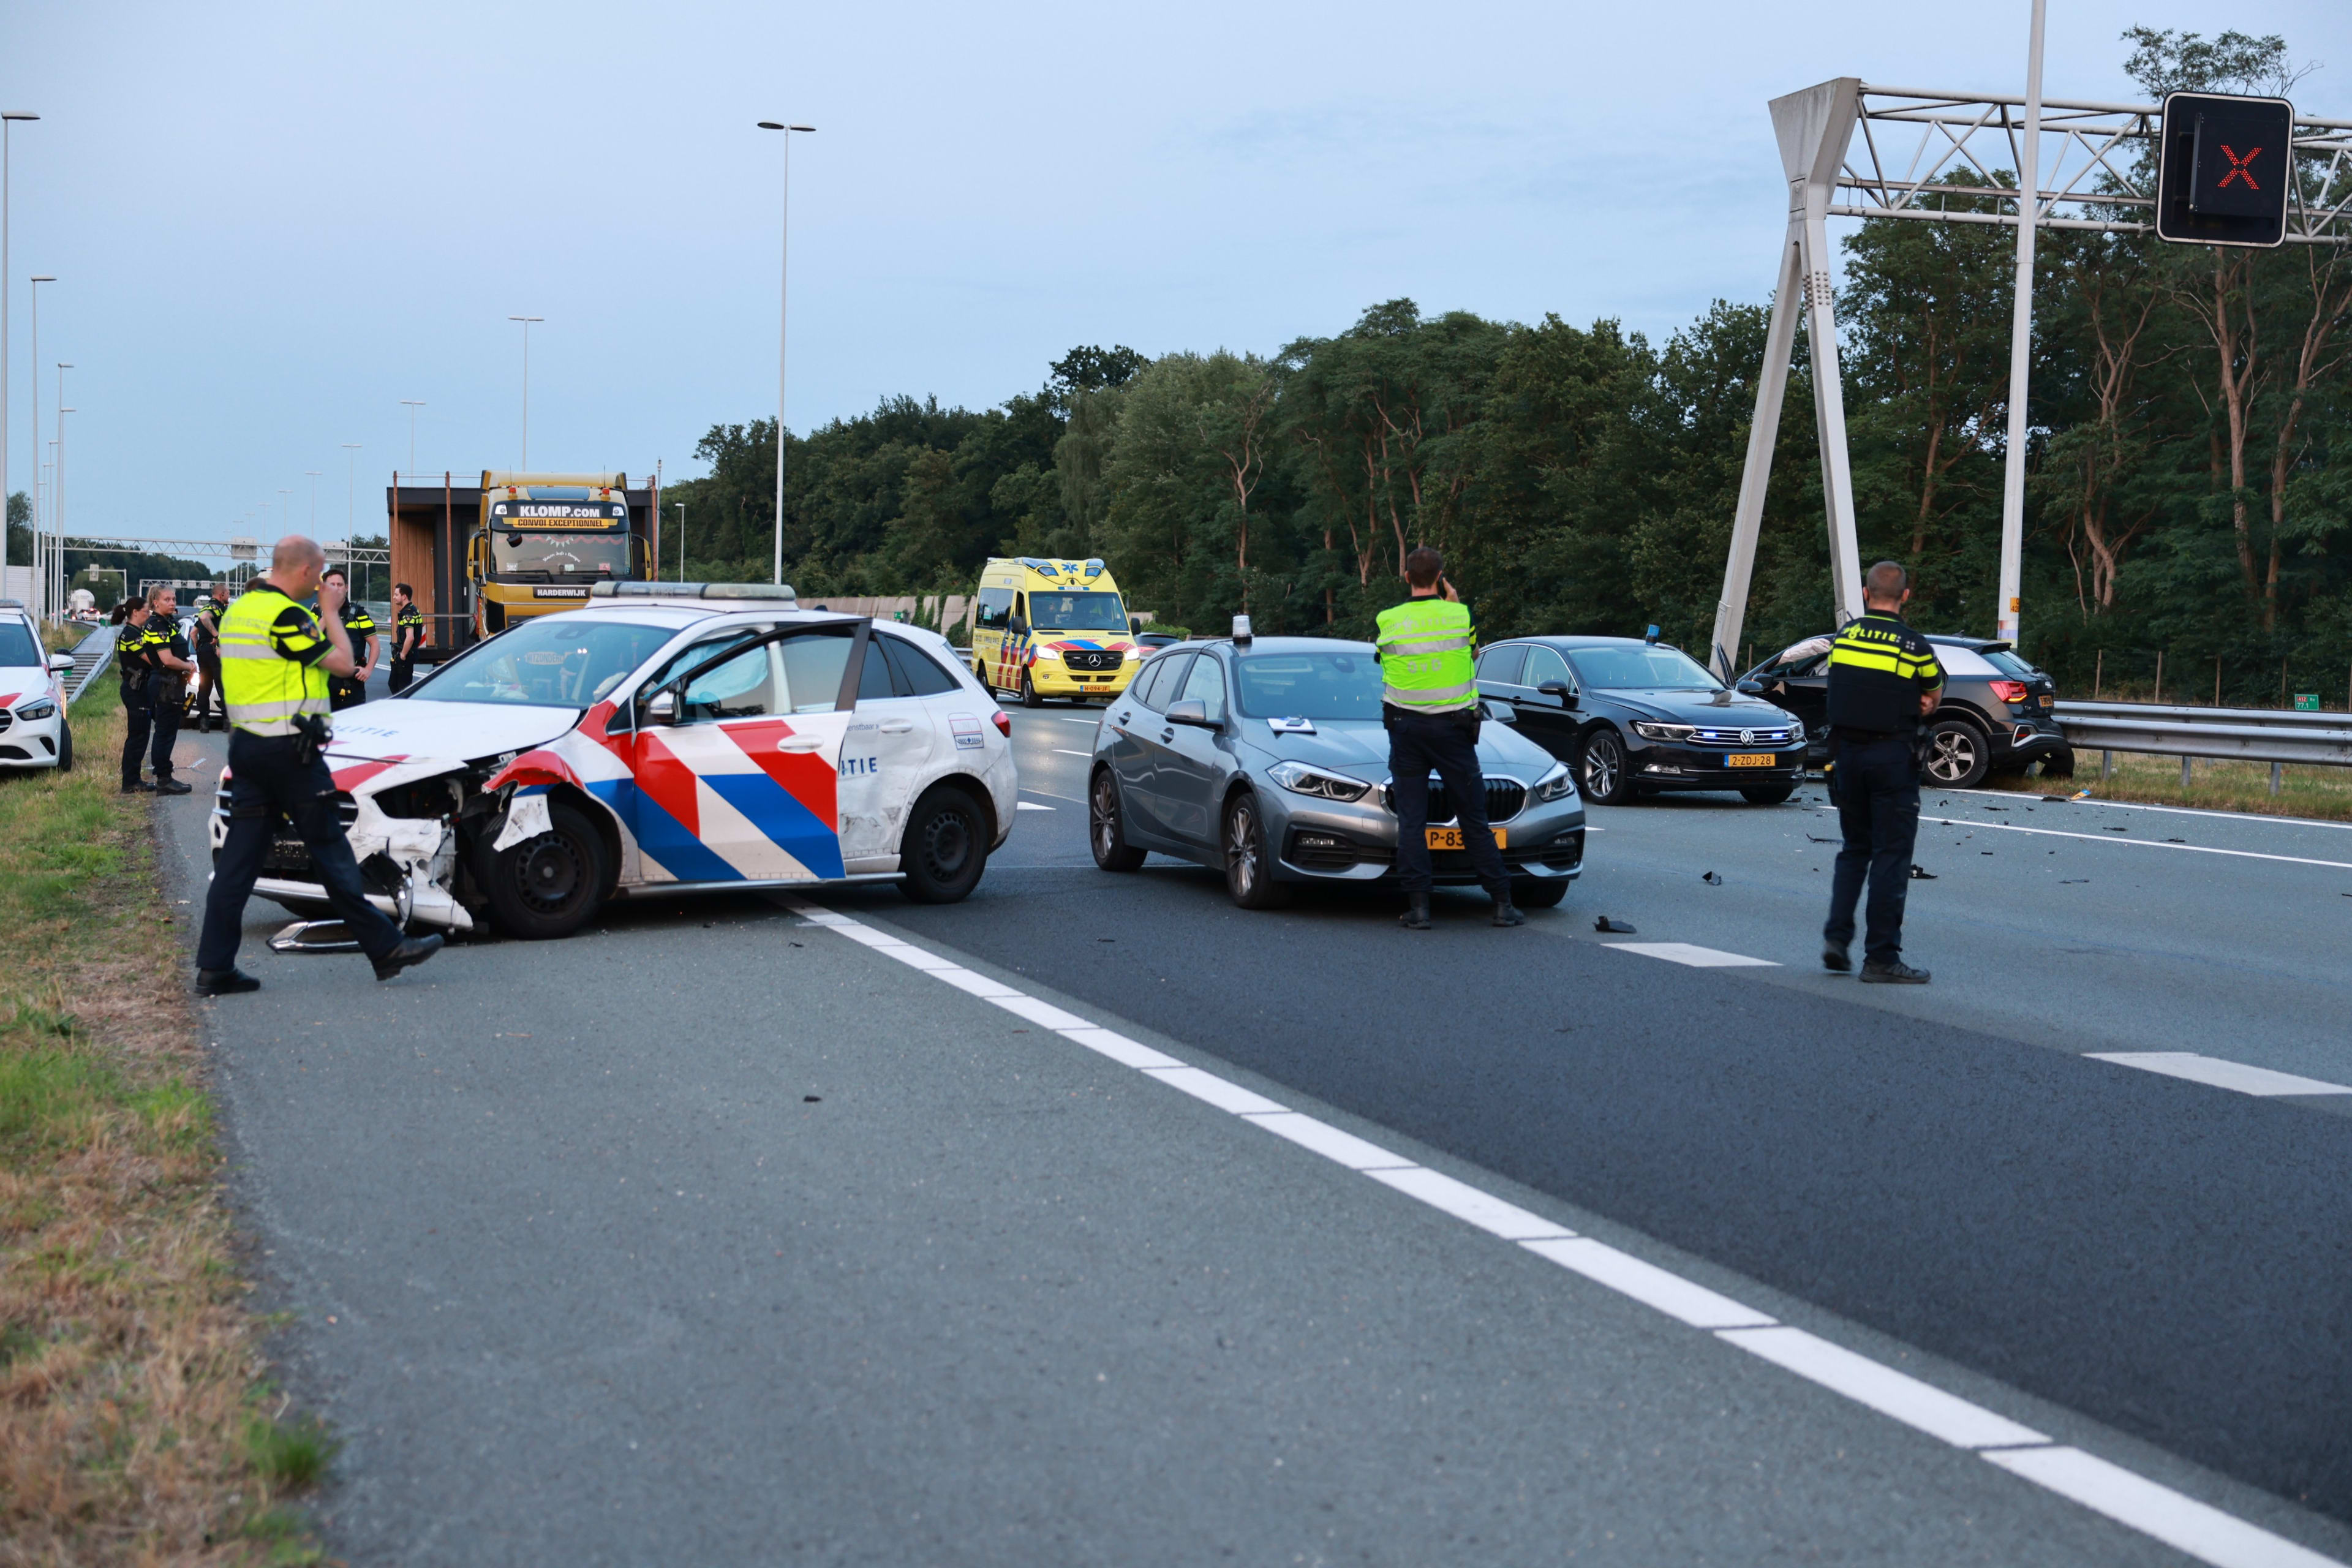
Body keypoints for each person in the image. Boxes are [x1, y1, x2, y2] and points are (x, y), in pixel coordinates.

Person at [194, 536, 442, 997]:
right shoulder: (288, 617)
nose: (324, 581)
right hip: (290, 753)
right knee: (332, 851)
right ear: (306, 571)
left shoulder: (241, 611)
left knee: (238, 862)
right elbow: (345, 663)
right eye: (321, 571)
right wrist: (329, 612)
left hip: (248, 747)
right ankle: (387, 949)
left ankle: (214, 966)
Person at [1376, 545, 1518, 930]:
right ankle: (1503, 903)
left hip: (1406, 730)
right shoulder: (1460, 615)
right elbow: (1472, 654)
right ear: (1441, 578)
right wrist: (1453, 602)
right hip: (1453, 730)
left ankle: (1419, 908)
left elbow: (1386, 659)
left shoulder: (1387, 620)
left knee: (1411, 820)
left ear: (1406, 577)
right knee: (1473, 817)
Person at [1821, 560, 1944, 984]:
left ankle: (1837, 940)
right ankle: (1881, 958)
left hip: (1848, 759)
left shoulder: (1844, 637)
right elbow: (1933, 693)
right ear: (1906, 596)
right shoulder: (1913, 645)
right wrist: (1923, 700)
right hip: (1892, 758)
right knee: (1891, 856)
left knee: (1854, 849)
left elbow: (1843, 684)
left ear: (1866, 593)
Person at [139, 587, 198, 795]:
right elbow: (166, 659)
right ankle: (164, 779)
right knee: (165, 733)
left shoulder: (168, 623)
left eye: (173, 599)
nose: (172, 603)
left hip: (171, 684)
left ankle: (165, 776)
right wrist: (188, 666)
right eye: (167, 599)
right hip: (166, 684)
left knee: (168, 732)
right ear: (155, 602)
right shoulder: (157, 626)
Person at [114, 597, 158, 794]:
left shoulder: (136, 633)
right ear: (135, 613)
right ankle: (131, 782)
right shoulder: (131, 635)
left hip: (140, 689)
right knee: (137, 736)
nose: (148, 615)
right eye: (146, 612)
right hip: (135, 689)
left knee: (141, 735)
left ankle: (134, 779)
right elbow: (151, 659)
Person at [322, 567, 379, 710]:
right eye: (331, 585)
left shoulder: (359, 614)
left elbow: (375, 644)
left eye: (340, 585)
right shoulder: (317, 612)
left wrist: (368, 670)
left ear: (346, 588)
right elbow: (308, 641)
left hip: (350, 685)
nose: (336, 589)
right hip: (321, 684)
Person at [190, 581, 230, 731]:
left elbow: (193, 633)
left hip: (203, 652)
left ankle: (204, 721)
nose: (229, 596)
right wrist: (217, 635)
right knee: (222, 686)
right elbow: (205, 618)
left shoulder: (204, 608)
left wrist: (198, 647)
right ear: (221, 595)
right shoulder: (217, 608)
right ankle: (227, 721)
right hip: (216, 651)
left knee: (204, 687)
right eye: (228, 593)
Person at [387, 582, 427, 694]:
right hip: (409, 654)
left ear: (404, 596)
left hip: (406, 656)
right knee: (394, 684)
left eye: (396, 595)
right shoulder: (412, 610)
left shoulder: (408, 613)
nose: (394, 597)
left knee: (401, 688)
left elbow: (410, 638)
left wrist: (403, 655)